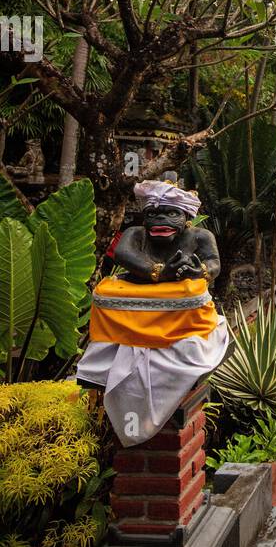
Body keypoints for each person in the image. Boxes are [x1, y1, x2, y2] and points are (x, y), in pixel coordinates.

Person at [77, 178, 229, 444]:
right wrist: (158, 272)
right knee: (105, 292)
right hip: (139, 288)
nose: (161, 220)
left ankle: (178, 336)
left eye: (171, 214)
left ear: (187, 217)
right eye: (152, 214)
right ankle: (122, 339)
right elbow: (123, 256)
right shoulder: (136, 234)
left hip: (180, 303)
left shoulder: (200, 237)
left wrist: (201, 272)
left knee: (191, 292)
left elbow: (213, 263)